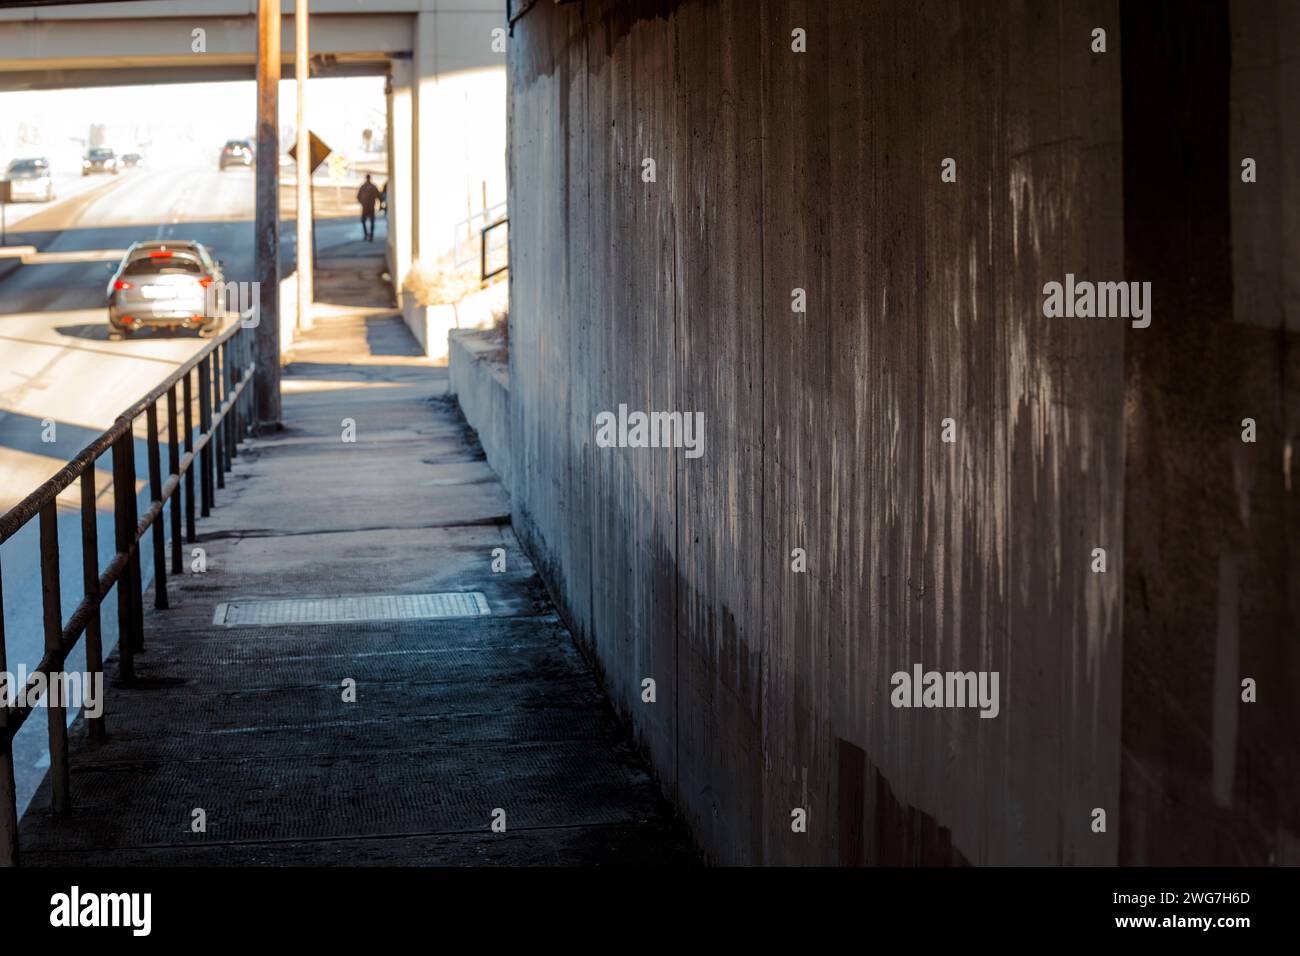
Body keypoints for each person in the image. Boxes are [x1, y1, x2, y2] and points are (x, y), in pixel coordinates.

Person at [357, 174, 381, 242]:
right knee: (372, 221)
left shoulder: (363, 186)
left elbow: (358, 197)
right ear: (370, 178)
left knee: (363, 221)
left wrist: (362, 203)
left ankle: (366, 234)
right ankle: (371, 235)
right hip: (371, 207)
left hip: (365, 207)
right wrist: (380, 205)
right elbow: (379, 196)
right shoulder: (373, 186)